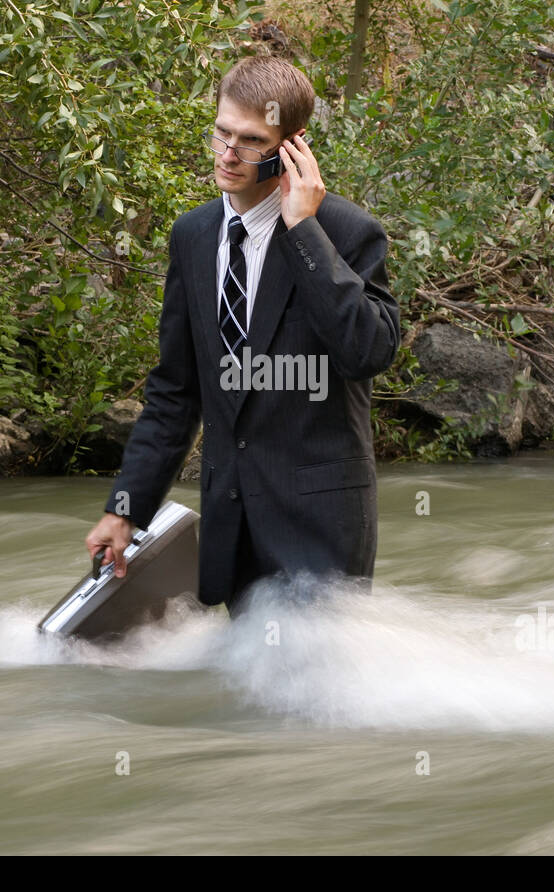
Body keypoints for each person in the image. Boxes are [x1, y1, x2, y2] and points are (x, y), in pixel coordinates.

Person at [84, 55, 400, 616]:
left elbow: (368, 350)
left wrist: (303, 230)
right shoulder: (193, 235)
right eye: (221, 133)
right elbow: (176, 392)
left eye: (251, 141)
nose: (228, 154)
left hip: (322, 531)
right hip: (233, 527)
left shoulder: (348, 233)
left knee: (313, 701)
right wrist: (126, 507)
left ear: (292, 145)